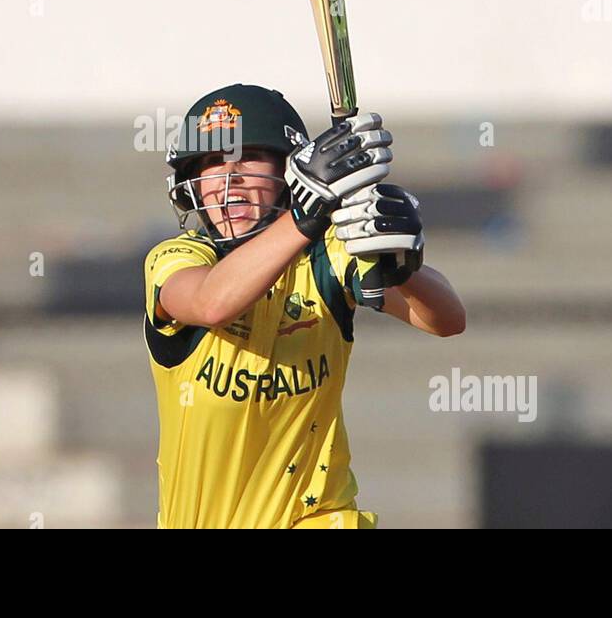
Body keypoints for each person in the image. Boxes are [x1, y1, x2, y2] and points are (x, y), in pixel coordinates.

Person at [145, 83, 466, 528]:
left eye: (250, 157)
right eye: (212, 161)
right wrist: (306, 217)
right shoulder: (177, 259)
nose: (229, 177)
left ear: (289, 172)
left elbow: (448, 320)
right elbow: (212, 302)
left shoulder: (327, 256)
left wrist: (403, 265)